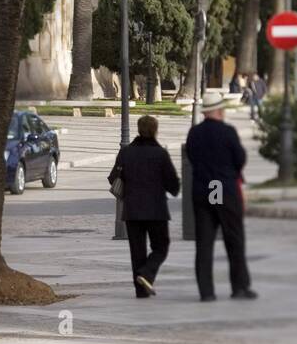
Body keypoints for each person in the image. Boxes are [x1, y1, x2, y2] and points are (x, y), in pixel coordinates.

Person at [185, 89, 256, 302]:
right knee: (234, 239)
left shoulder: (194, 133)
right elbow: (240, 158)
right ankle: (239, 287)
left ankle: (206, 291)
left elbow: (191, 157)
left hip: (203, 190)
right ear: (218, 110)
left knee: (204, 243)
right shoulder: (227, 132)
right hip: (224, 190)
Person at [108, 114, 180, 298]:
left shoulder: (126, 152)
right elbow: (173, 186)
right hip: (156, 210)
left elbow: (113, 178)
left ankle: (141, 291)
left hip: (132, 209)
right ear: (155, 130)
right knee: (161, 246)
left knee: (137, 251)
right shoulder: (160, 154)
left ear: (139, 129)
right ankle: (147, 273)